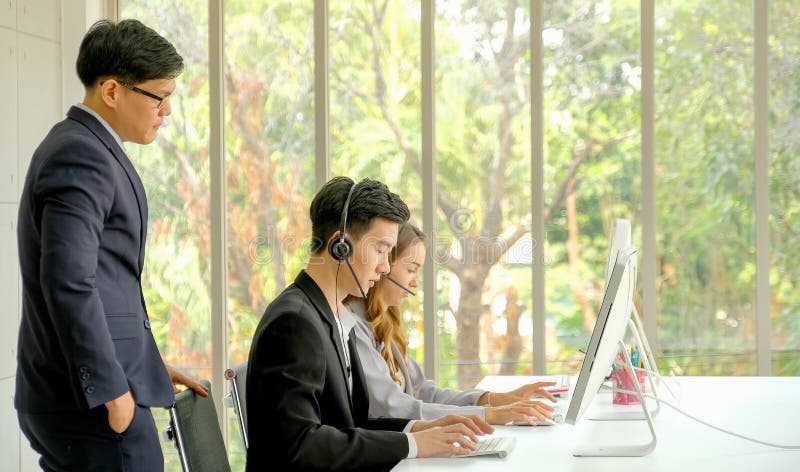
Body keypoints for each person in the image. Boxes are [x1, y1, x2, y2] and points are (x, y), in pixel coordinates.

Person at [16, 19, 206, 472]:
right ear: (112, 91)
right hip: (91, 404)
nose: (167, 111)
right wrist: (112, 390)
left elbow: (107, 283)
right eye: (159, 97)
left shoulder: (87, 146)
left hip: (93, 394)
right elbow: (68, 282)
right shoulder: (80, 154)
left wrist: (145, 361)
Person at [246, 177, 494, 472]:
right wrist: (413, 445)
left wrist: (421, 429)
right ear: (340, 245)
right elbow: (298, 445)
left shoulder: (335, 315)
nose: (385, 266)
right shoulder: (295, 323)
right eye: (381, 249)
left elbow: (355, 423)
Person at [345, 222, 558, 425]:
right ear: (382, 265)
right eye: (411, 269)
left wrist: (498, 400)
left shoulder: (384, 325)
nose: (415, 282)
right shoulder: (353, 328)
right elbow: (395, 408)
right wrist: (489, 415)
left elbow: (425, 392)